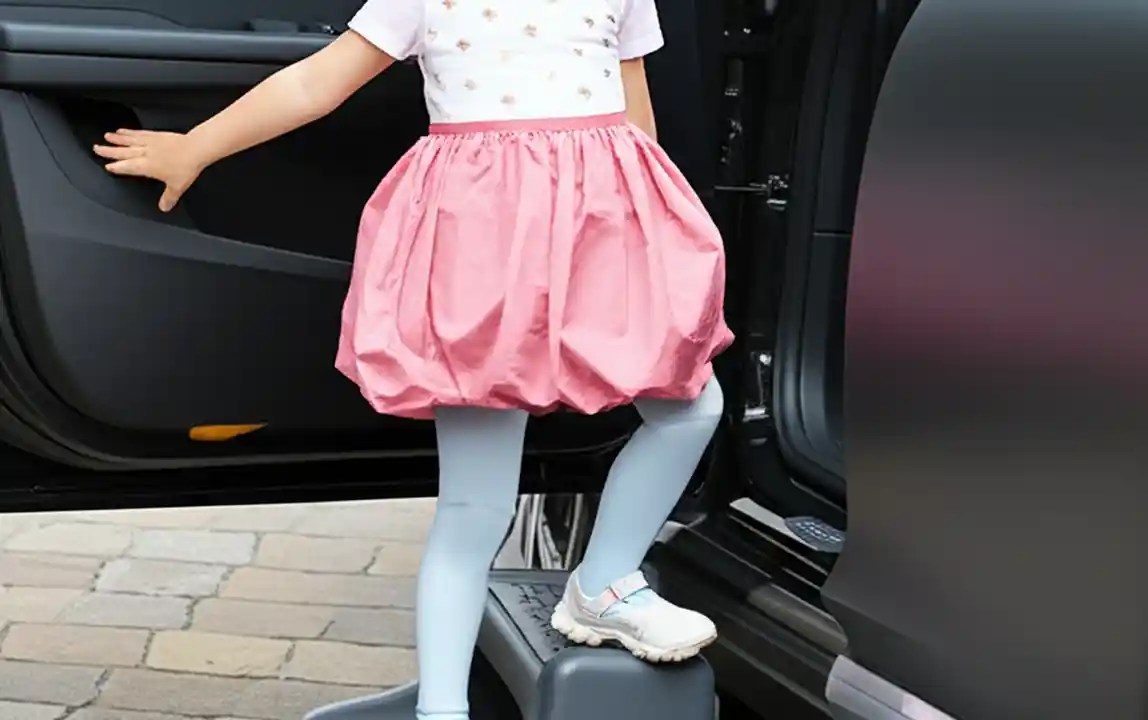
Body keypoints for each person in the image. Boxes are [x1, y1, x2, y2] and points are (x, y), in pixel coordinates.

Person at [92, 1, 734, 718]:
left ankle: (606, 580)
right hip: (483, 252)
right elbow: (317, 83)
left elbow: (634, 118)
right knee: (474, 506)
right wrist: (197, 147)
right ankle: (442, 709)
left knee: (692, 406)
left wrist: (648, 238)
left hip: (598, 238)